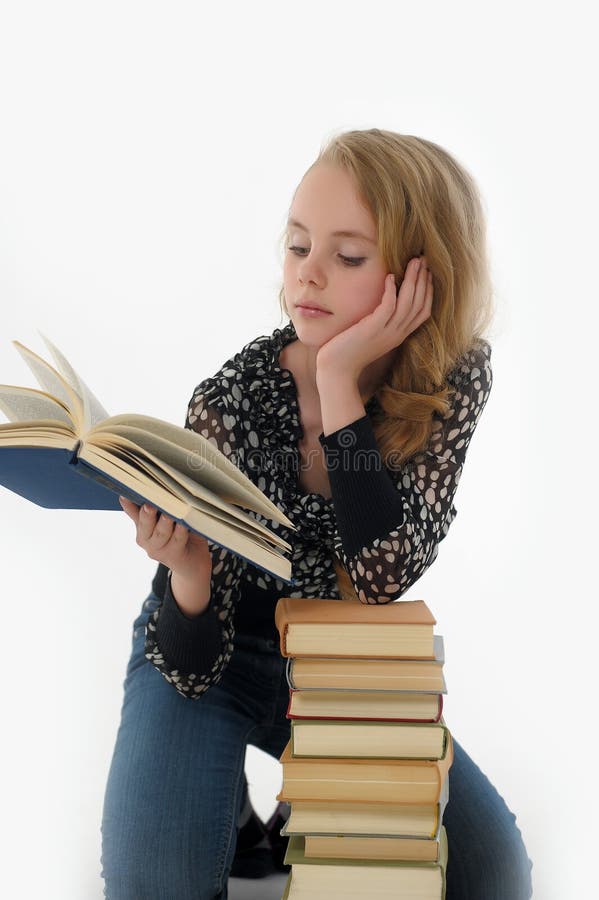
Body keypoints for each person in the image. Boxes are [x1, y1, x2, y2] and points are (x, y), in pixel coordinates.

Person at [100, 128, 533, 899]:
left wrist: (337, 382)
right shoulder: (232, 402)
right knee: (153, 885)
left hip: (341, 661)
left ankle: (295, 799)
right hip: (210, 644)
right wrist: (188, 572)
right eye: (298, 246)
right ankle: (226, 804)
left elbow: (379, 577)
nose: (309, 275)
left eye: (348, 255)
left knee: (493, 880)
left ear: (417, 276)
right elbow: (194, 659)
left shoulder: (451, 377)